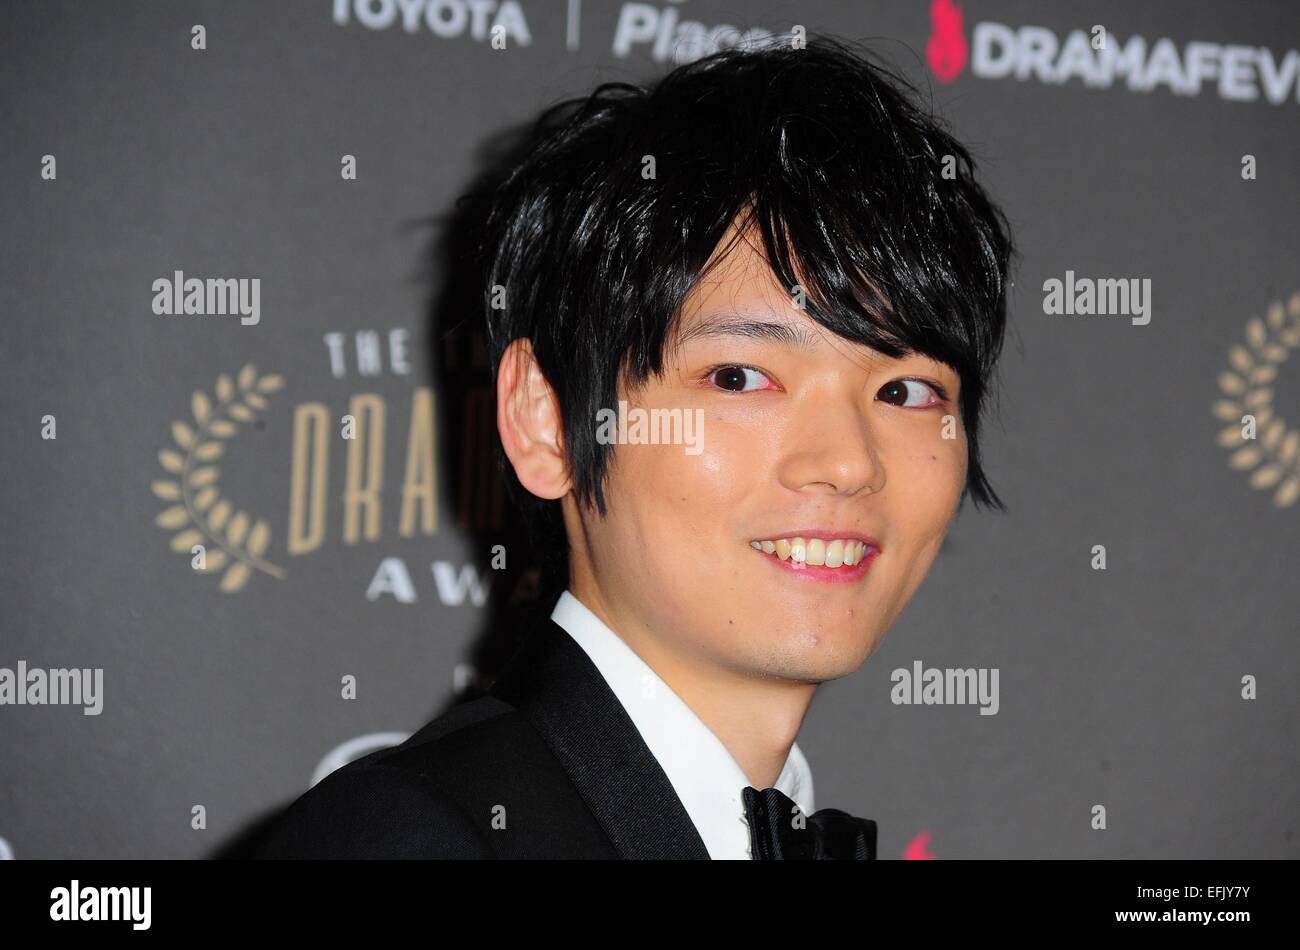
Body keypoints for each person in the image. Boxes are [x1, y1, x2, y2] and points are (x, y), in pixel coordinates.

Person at [255, 33, 1013, 860]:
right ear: (546, 422)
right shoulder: (409, 842)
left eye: (905, 392)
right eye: (739, 378)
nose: (848, 463)